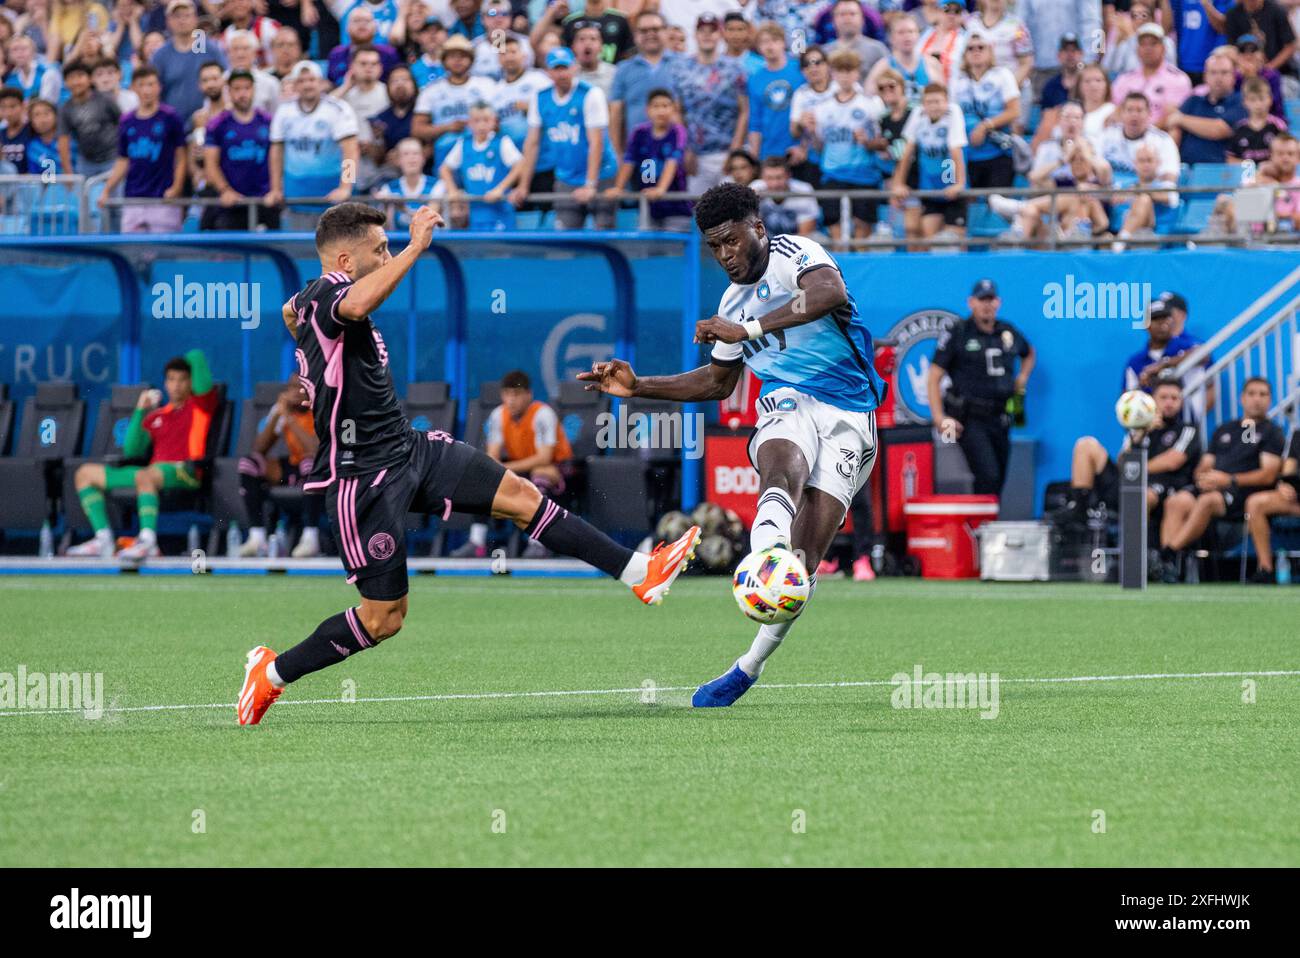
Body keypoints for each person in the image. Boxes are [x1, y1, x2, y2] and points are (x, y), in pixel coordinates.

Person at [235, 202, 700, 725]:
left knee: (524, 497)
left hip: (409, 448)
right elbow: (354, 302)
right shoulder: (328, 294)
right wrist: (414, 247)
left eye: (390, 246)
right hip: (360, 475)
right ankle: (272, 675)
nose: (387, 254)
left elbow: (289, 312)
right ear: (344, 258)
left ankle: (640, 572)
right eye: (379, 248)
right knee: (384, 619)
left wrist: (306, 345)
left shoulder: (310, 303)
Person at [578, 182, 889, 708]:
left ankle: (748, 667)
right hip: (788, 400)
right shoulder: (731, 302)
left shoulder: (797, 255)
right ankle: (763, 555)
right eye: (713, 247)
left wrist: (745, 329)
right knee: (782, 456)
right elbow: (717, 384)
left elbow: (829, 295)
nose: (725, 256)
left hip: (850, 414)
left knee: (805, 562)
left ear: (758, 230)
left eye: (731, 241)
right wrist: (638, 387)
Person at [68, 350, 218, 560]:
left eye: (183, 379)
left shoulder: (200, 406)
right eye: (171, 379)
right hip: (152, 473)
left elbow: (197, 357)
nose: (176, 385)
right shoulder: (156, 415)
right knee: (85, 474)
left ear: (191, 381)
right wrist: (141, 410)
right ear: (164, 383)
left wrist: (186, 358)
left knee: (146, 475)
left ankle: (148, 541)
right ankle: (103, 539)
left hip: (186, 473)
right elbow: (132, 450)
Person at [1160, 377, 1284, 582]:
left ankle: (1169, 552)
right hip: (1213, 486)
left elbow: (1268, 474)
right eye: (1252, 394)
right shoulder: (1224, 430)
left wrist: (1229, 480)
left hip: (1241, 491)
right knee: (1176, 501)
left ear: (1270, 400)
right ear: (1242, 399)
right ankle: (1169, 569)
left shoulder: (1272, 432)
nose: (1257, 399)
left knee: (1208, 501)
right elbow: (1205, 464)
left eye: (1263, 394)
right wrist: (1203, 478)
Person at [927, 278, 1036, 497]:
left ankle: (986, 526)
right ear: (971, 302)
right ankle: (979, 527)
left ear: (998, 302)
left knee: (999, 479)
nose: (987, 304)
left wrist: (1022, 378)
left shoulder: (1007, 331)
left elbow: (1029, 353)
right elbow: (933, 377)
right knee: (988, 475)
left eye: (991, 299)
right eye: (982, 299)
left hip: (1001, 416)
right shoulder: (959, 332)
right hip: (971, 417)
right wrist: (939, 417)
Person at [1050, 377, 1201, 531]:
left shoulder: (1188, 429)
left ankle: (1139, 550)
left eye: (1174, 398)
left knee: (1142, 496)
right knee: (1086, 445)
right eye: (1163, 398)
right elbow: (1122, 462)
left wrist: (1135, 468)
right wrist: (1140, 434)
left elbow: (1172, 461)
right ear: (1152, 400)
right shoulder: (1139, 428)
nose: (1169, 403)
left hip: (1159, 489)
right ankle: (1080, 510)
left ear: (1181, 401)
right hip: (1126, 482)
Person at [455, 369, 574, 559]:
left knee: (540, 473)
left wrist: (507, 469)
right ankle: (477, 542)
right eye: (507, 394)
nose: (511, 400)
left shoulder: (543, 414)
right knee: (483, 477)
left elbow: (544, 458)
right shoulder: (498, 415)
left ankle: (538, 543)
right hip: (522, 469)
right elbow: (492, 456)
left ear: (529, 395)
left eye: (517, 395)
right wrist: (496, 471)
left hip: (559, 471)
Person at [517, 46, 618, 230]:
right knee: (565, 236)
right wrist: (523, 185)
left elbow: (596, 142)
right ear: (548, 72)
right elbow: (532, 144)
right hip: (566, 176)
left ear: (574, 68)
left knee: (604, 232)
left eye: (565, 67)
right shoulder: (540, 98)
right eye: (557, 68)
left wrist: (590, 184)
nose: (562, 73)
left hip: (602, 174)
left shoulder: (590, 94)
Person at [269, 60, 359, 230]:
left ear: (321, 83)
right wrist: (275, 188)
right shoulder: (283, 112)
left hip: (332, 196)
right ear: (295, 85)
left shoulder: (338, 109)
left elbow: (351, 150)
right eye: (301, 81)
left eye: (311, 80)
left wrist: (345, 187)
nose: (307, 85)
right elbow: (276, 151)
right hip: (296, 196)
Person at [238, 381, 323, 558]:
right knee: (250, 463)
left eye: (301, 388)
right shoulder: (282, 410)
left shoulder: (321, 409)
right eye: (292, 388)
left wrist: (290, 420)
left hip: (321, 469)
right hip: (292, 468)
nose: (296, 392)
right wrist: (278, 413)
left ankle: (310, 537)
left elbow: (316, 450)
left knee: (309, 462)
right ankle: (257, 536)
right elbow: (259, 449)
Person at [809, 48, 887, 241]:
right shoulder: (822, 107)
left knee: (862, 226)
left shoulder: (871, 104)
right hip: (833, 172)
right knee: (834, 226)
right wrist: (811, 133)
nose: (845, 76)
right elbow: (819, 147)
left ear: (857, 73)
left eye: (849, 70)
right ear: (832, 73)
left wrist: (867, 142)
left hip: (863, 173)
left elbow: (883, 142)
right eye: (840, 71)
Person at [98, 65, 186, 233]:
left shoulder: (170, 117)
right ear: (133, 88)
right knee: (133, 252)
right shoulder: (127, 121)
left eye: (151, 84)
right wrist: (107, 189)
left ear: (159, 87)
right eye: (142, 85)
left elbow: (181, 157)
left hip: (163, 198)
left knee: (164, 251)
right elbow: (123, 160)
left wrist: (176, 187)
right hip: (133, 197)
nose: (147, 90)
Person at [670, 13, 748, 194]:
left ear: (719, 34)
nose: (707, 35)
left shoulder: (734, 68)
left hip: (727, 152)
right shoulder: (681, 68)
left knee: (732, 214)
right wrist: (685, 148)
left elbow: (744, 110)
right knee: (702, 214)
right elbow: (677, 111)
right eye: (702, 31)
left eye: (712, 31)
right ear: (695, 34)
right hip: (696, 155)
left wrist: (735, 151)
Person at [891, 82, 968, 246]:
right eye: (929, 102)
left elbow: (956, 150)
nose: (934, 106)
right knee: (928, 237)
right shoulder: (918, 115)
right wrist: (898, 183)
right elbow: (907, 152)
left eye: (938, 101)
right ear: (923, 104)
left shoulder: (953, 113)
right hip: (930, 188)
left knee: (955, 239)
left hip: (949, 184)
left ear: (946, 102)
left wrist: (959, 184)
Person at [202, 69, 278, 230]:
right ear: (228, 91)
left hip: (264, 200)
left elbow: (277, 158)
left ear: (253, 90)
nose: (242, 94)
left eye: (246, 88)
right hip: (231, 203)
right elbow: (210, 164)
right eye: (237, 89)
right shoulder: (217, 124)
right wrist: (225, 190)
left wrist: (276, 189)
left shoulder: (268, 121)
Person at [605, 87, 692, 230]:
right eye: (656, 106)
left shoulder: (677, 131)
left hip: (676, 205)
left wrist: (660, 190)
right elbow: (629, 161)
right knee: (649, 248)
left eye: (665, 106)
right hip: (648, 205)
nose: (661, 111)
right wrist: (618, 188)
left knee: (674, 248)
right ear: (647, 110)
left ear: (673, 109)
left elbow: (672, 162)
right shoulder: (639, 133)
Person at [412, 33, 496, 171]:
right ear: (444, 61)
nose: (457, 61)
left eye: (462, 56)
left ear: (471, 60)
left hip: (482, 153)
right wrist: (446, 127)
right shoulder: (431, 91)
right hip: (445, 152)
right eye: (452, 56)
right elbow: (417, 129)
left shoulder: (487, 86)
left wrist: (478, 126)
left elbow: (498, 121)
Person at [950, 29, 1019, 189]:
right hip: (968, 155)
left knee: (997, 201)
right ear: (964, 54)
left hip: (998, 152)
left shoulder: (1002, 75)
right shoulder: (957, 82)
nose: (976, 52)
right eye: (971, 48)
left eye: (981, 47)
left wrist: (984, 126)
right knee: (969, 203)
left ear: (990, 51)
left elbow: (1014, 111)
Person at [438, 99, 522, 230]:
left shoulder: (502, 142)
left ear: (494, 121)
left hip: (500, 211)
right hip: (475, 212)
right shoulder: (463, 144)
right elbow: (444, 168)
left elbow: (520, 165)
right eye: (477, 121)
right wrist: (452, 190)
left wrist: (500, 189)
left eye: (486, 120)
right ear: (469, 123)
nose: (481, 125)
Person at [608, 10, 677, 153]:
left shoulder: (682, 65)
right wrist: (617, 153)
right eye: (644, 30)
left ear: (666, 32)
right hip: (642, 153)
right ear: (635, 36)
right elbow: (615, 115)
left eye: (655, 29)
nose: (650, 34)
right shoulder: (623, 69)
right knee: (648, 176)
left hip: (676, 150)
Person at [151, 0, 227, 120]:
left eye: (187, 15)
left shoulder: (209, 48)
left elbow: (226, 78)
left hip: (208, 122)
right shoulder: (161, 55)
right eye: (177, 16)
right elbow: (154, 91)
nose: (182, 20)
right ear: (168, 21)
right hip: (173, 124)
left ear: (196, 19)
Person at [1166, 50, 1245, 163]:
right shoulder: (1193, 101)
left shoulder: (1240, 101)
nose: (1218, 78)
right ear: (1205, 76)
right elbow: (1173, 124)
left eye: (1224, 72)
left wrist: (1181, 119)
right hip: (1187, 170)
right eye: (1213, 72)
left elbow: (1220, 129)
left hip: (1224, 171)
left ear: (1233, 76)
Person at [1244, 429, 1300, 582]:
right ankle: (1265, 569)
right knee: (1255, 503)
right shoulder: (1297, 434)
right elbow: (1288, 470)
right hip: (1296, 500)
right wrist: (1283, 485)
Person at [1110, 22, 1192, 127]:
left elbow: (1174, 116)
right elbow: (1115, 111)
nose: (1148, 48)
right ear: (1137, 49)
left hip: (1160, 136)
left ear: (1163, 48)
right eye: (1143, 44)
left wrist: (1146, 133)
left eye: (1153, 43)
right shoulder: (1124, 78)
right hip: (1126, 136)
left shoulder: (1178, 79)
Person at [745, 20, 803, 162]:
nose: (770, 46)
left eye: (774, 40)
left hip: (797, 150)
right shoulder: (755, 79)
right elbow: (755, 121)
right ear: (758, 47)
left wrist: (805, 147)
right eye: (764, 42)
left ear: (783, 43)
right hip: (769, 152)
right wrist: (755, 157)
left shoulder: (800, 70)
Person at [57, 59, 120, 176]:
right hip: (86, 162)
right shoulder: (65, 109)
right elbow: (63, 139)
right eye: (71, 77)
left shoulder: (105, 100)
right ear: (65, 82)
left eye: (80, 76)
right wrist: (68, 171)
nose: (76, 82)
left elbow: (122, 125)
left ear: (90, 79)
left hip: (112, 158)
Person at [751, 153, 819, 236]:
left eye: (779, 177)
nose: (775, 184)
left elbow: (805, 236)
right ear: (762, 177)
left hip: (798, 243)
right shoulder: (755, 189)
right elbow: (753, 230)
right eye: (769, 178)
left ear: (789, 176)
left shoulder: (803, 191)